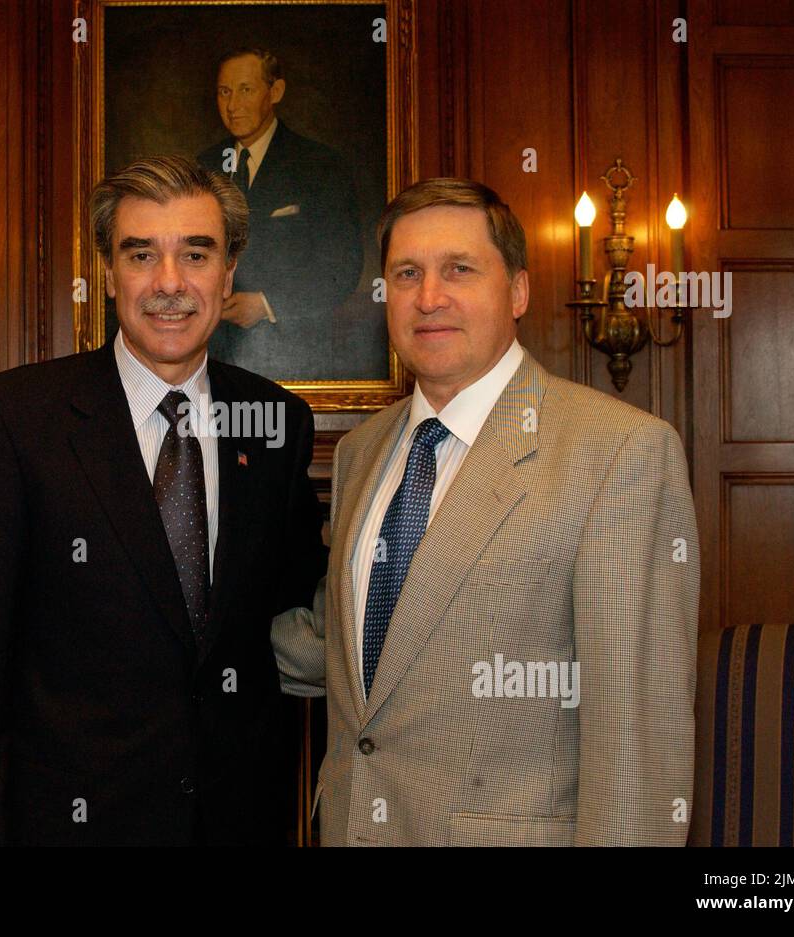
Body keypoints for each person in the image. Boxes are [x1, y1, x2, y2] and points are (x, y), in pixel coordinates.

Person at [272, 178, 700, 846]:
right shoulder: (362, 452)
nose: (429, 296)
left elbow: (636, 745)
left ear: (519, 292)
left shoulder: (619, 453)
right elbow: (361, 667)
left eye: (459, 270)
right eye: (406, 273)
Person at [0, 155, 326, 845]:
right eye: (141, 254)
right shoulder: (15, 419)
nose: (169, 283)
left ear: (228, 274)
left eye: (195, 254)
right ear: (109, 273)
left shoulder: (276, 423)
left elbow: (289, 617)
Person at [196, 47, 363, 379]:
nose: (232, 105)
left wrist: (266, 304)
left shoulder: (320, 166)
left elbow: (343, 267)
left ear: (275, 92)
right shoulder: (203, 168)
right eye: (224, 92)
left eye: (245, 89)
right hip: (209, 362)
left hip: (293, 357)